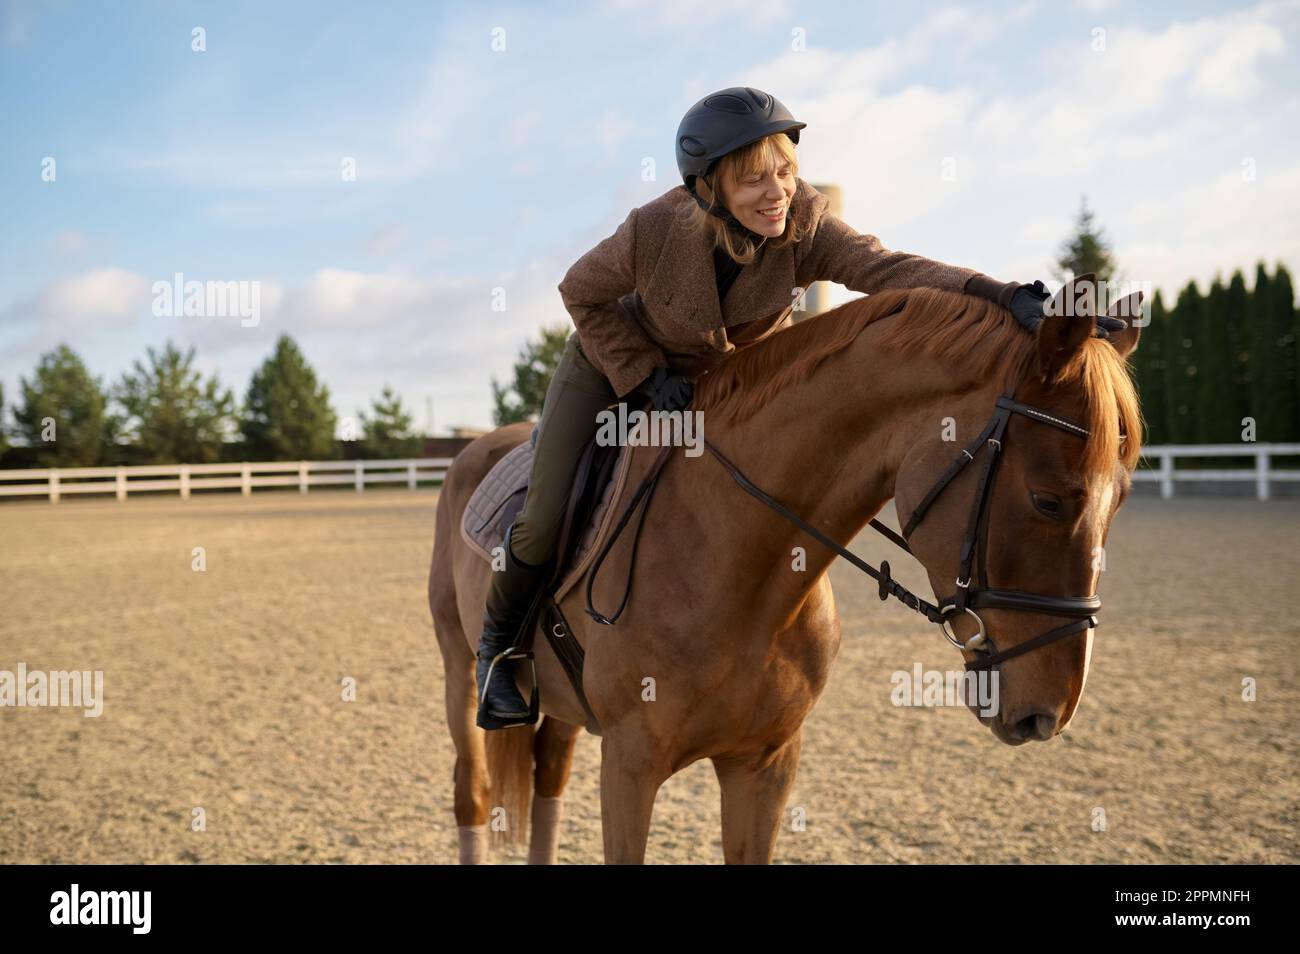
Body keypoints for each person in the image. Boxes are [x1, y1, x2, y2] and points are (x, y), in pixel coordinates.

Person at [474, 85, 1122, 729]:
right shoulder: (652, 231)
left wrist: (998, 294)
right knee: (544, 512)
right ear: (709, 191)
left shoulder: (805, 226)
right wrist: (642, 375)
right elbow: (579, 293)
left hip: (722, 382)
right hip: (610, 366)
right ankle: (498, 654)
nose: (777, 191)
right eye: (754, 180)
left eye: (784, 170)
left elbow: (888, 270)